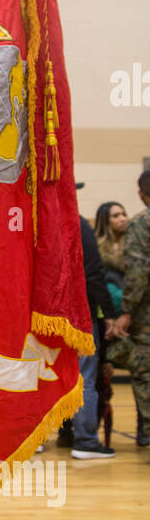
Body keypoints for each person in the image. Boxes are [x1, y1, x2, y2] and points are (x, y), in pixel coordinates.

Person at [96, 199, 147, 446]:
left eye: (124, 213)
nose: (123, 218)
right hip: (108, 320)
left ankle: (143, 429)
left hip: (136, 318)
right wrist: (111, 318)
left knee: (142, 372)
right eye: (116, 215)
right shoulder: (98, 247)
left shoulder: (136, 242)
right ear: (106, 220)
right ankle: (85, 432)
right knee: (99, 375)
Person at [71, 214, 118, 458]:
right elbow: (93, 272)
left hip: (41, 312)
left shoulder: (31, 218)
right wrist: (108, 312)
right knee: (84, 376)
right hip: (78, 311)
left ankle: (39, 438)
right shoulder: (77, 223)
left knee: (40, 374)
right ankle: (85, 441)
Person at [111, 171, 150, 452]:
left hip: (146, 314)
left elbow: (138, 272)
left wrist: (126, 311)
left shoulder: (141, 224)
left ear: (141, 195)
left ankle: (147, 432)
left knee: (145, 371)